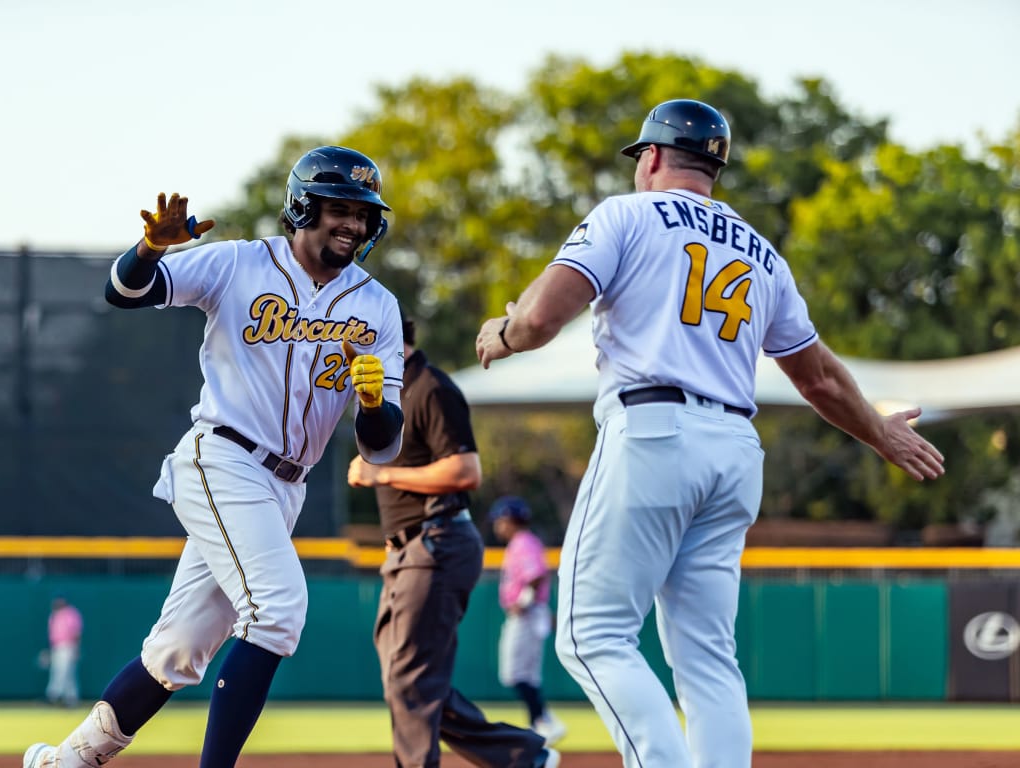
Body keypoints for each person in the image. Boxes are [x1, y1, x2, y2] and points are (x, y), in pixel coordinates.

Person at [474, 99, 945, 768]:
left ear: (653, 156)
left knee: (591, 635)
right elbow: (819, 379)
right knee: (707, 657)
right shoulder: (762, 253)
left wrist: (503, 332)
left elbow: (541, 319)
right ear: (713, 169)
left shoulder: (626, 214)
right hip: (734, 450)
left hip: (653, 430)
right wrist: (880, 434)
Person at [24, 146, 408, 768]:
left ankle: (66, 760)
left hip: (286, 488)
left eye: (364, 214)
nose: (354, 225)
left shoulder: (378, 306)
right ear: (303, 207)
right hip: (224, 458)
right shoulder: (239, 263)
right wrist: (150, 248)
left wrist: (371, 404)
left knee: (176, 651)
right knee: (278, 609)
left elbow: (382, 447)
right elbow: (124, 292)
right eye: (341, 209)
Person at [349, 313, 557, 768]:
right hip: (408, 551)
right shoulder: (387, 395)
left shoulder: (429, 387)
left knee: (409, 679)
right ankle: (523, 757)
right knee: (408, 680)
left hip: (436, 540)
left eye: (358, 333)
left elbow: (466, 471)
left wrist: (381, 474)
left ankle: (521, 756)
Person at [488, 496, 566, 746]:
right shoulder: (521, 543)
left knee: (516, 672)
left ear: (509, 519)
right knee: (524, 674)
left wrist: (523, 602)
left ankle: (542, 722)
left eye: (500, 520)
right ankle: (541, 721)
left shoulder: (523, 542)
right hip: (530, 613)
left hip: (527, 615)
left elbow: (536, 576)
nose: (497, 526)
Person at [44, 596, 83, 708]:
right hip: (56, 647)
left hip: (68, 646)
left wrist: (76, 648)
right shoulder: (54, 615)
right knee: (59, 672)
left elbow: (76, 633)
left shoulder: (71, 613)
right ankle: (69, 698)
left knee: (65, 672)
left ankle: (55, 696)